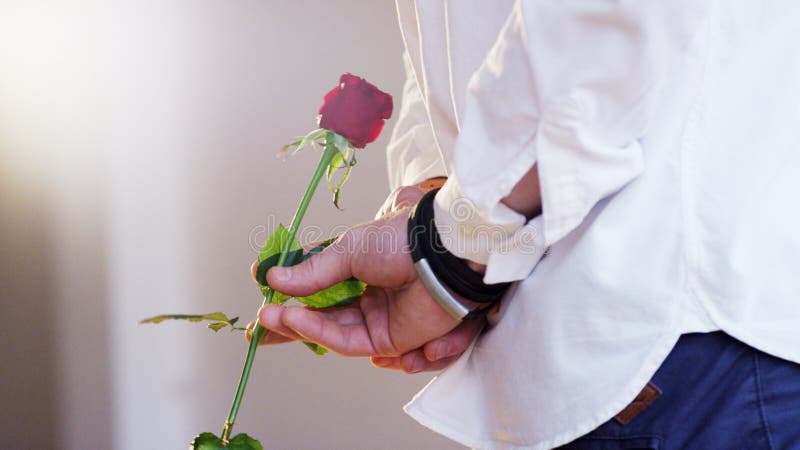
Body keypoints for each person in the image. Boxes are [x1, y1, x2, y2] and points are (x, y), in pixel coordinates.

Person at [254, 1, 800, 448]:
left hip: (684, 337)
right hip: (584, 348)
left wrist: (453, 246)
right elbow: (456, 39)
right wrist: (436, 201)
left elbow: (598, 15)